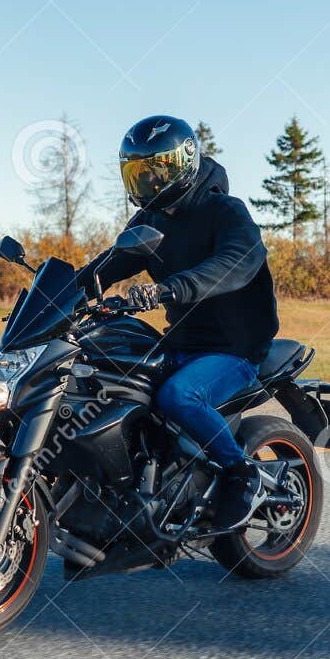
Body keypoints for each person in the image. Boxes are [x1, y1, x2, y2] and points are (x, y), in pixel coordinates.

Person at [86, 115, 280, 532]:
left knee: (179, 396)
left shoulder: (225, 211)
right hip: (182, 341)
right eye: (139, 173)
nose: (149, 181)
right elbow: (106, 266)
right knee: (108, 378)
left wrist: (168, 289)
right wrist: (55, 295)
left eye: (157, 170)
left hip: (234, 348)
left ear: (184, 163)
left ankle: (241, 473)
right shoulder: (150, 221)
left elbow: (234, 263)